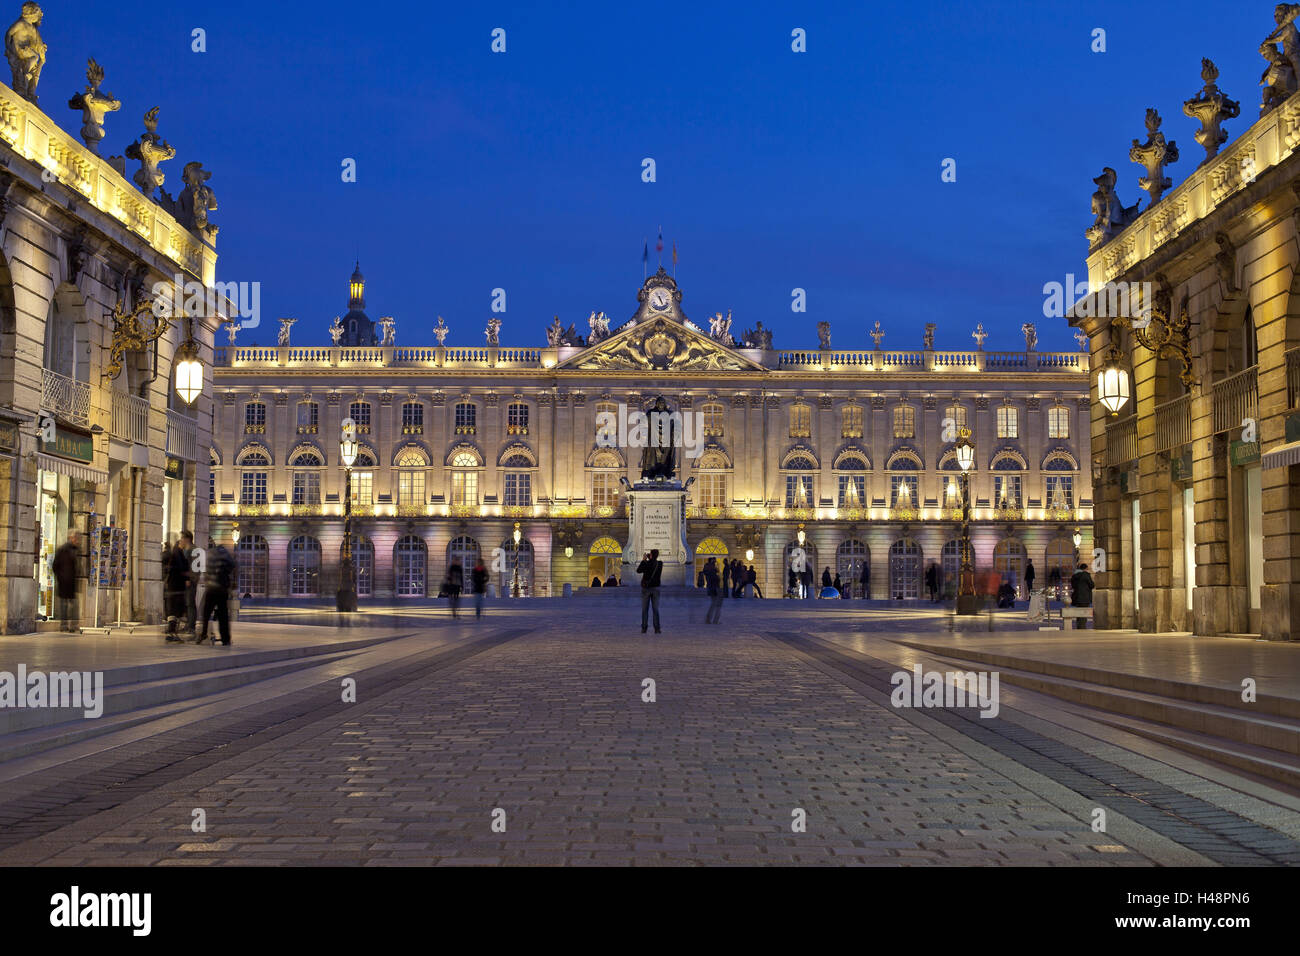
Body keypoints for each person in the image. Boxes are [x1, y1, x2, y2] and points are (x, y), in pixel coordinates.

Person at [194, 537, 235, 646]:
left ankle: (203, 634)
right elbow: (232, 566)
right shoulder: (226, 555)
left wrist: (208, 579)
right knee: (223, 614)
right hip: (222, 589)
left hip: (211, 588)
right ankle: (225, 638)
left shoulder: (210, 554)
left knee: (206, 612)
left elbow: (206, 570)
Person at [164, 530, 193, 642]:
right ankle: (171, 633)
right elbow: (181, 568)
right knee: (174, 610)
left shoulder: (178, 551)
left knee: (174, 610)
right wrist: (187, 577)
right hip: (176, 585)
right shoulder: (177, 552)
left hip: (175, 585)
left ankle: (172, 632)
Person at [51, 530, 80, 633]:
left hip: (70, 582)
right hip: (64, 581)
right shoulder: (64, 550)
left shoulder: (75, 550)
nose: (77, 540)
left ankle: (71, 625)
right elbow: (55, 565)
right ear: (71, 538)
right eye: (76, 538)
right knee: (66, 605)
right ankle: (65, 625)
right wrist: (60, 577)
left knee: (71, 605)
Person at [637, 549, 663, 633]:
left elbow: (638, 570)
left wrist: (644, 560)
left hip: (646, 589)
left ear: (651, 555)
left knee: (645, 610)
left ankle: (644, 628)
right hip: (656, 588)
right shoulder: (660, 564)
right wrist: (650, 559)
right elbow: (653, 563)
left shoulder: (646, 563)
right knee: (655, 609)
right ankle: (657, 628)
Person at [1070, 562, 1094, 629]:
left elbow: (1073, 586)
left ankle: (1079, 626)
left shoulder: (1074, 576)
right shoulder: (1086, 575)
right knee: (1084, 613)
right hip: (1085, 597)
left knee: (1079, 612)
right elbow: (1092, 585)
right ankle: (1082, 627)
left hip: (1077, 597)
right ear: (1086, 568)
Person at [703, 556, 724, 625]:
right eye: (714, 561)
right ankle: (713, 620)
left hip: (711, 587)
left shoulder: (708, 569)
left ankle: (709, 619)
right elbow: (716, 579)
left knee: (714, 604)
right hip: (715, 588)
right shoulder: (712, 570)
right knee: (717, 604)